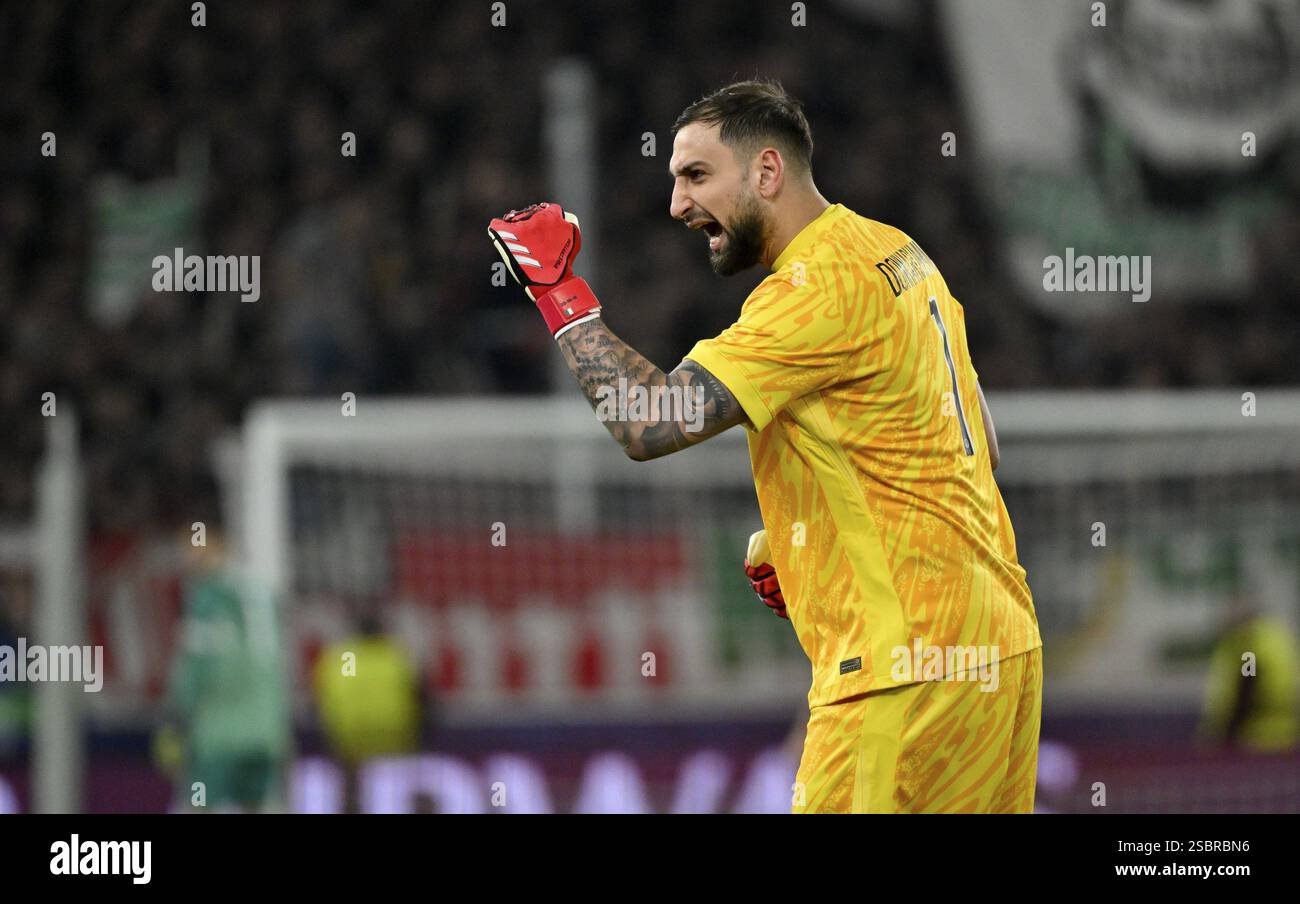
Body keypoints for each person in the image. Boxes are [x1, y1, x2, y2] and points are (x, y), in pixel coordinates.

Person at [487, 79, 1042, 813]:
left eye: (696, 176)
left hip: (901, 671)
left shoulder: (812, 293)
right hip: (1000, 652)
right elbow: (977, 446)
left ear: (767, 173)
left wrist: (557, 289)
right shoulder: (902, 255)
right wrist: (809, 541)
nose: (678, 205)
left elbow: (647, 421)